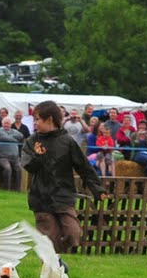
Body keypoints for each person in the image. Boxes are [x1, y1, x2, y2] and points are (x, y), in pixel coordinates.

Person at [23, 99, 105, 257]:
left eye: (37, 119)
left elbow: (84, 166)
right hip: (41, 199)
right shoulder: (32, 142)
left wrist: (97, 189)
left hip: (63, 196)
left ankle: (55, 261)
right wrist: (38, 157)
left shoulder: (67, 142)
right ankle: (51, 265)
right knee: (49, 240)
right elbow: (28, 166)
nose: (35, 123)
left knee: (73, 234)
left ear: (49, 119)